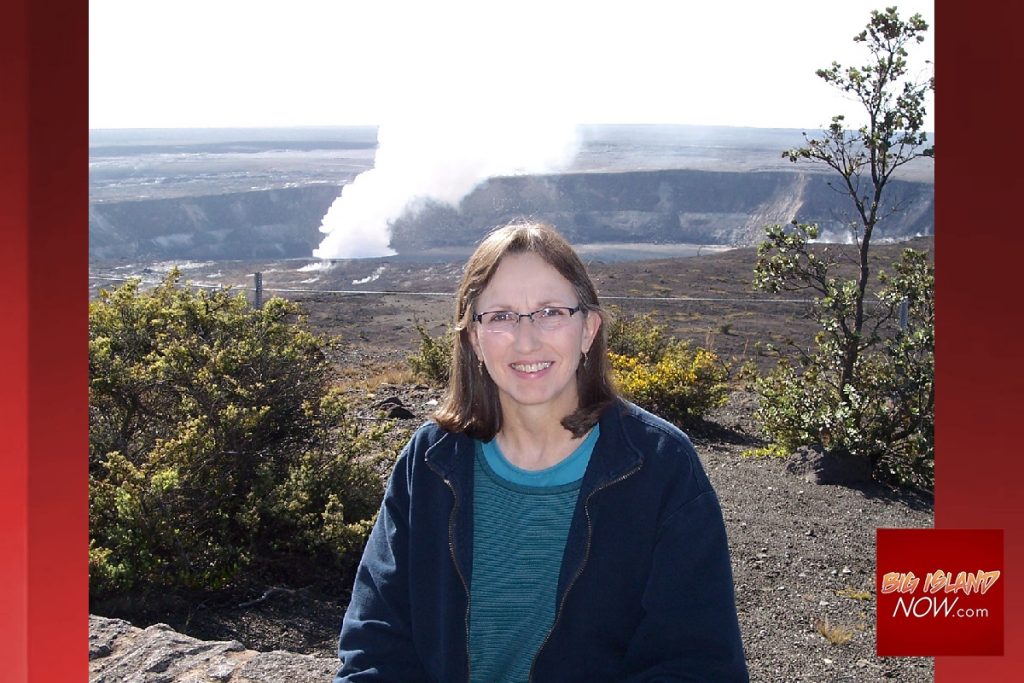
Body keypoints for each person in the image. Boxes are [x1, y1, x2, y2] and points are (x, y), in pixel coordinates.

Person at [335, 222, 748, 682]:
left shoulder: (659, 466)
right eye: (501, 316)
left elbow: (697, 663)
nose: (527, 340)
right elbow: (376, 641)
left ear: (588, 329)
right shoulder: (431, 463)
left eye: (551, 312)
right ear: (473, 338)